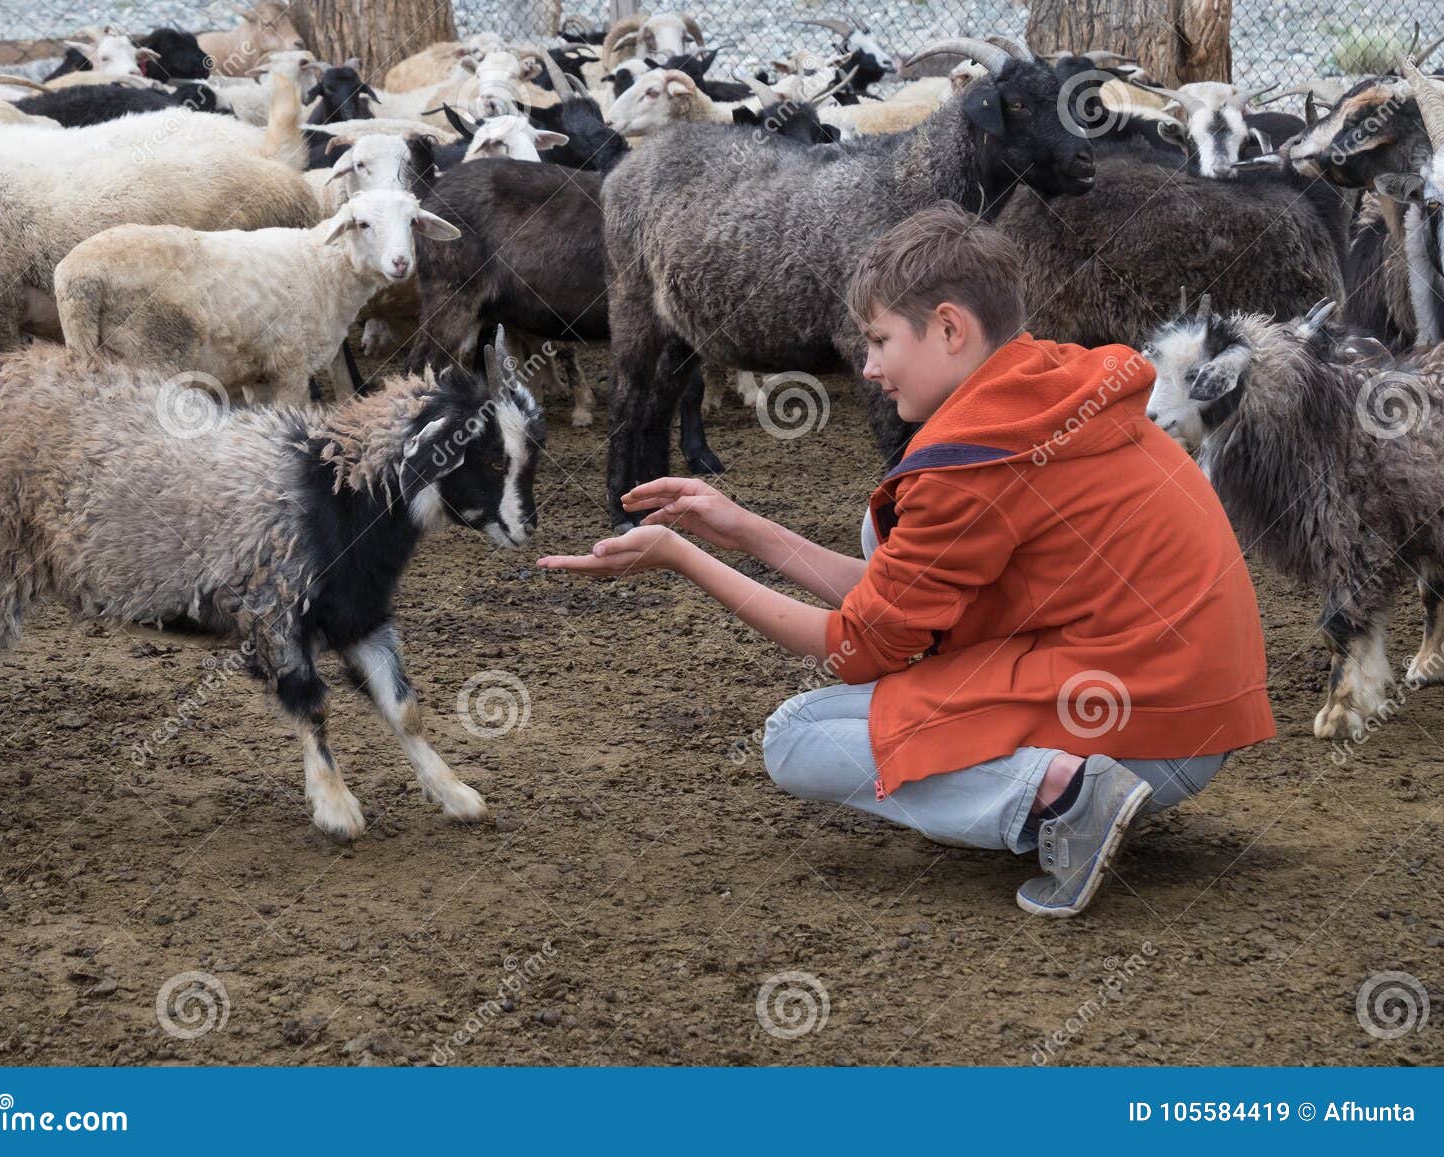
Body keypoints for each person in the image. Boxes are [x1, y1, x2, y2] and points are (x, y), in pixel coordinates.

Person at [538, 202, 1275, 917]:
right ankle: (1068, 778)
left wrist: (682, 556)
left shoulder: (969, 462)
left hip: (1155, 724)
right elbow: (897, 607)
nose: (866, 367)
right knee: (880, 530)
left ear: (950, 328)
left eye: (879, 341)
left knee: (796, 736)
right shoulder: (1047, 384)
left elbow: (854, 645)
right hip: (1190, 700)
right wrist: (743, 528)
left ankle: (1067, 795)